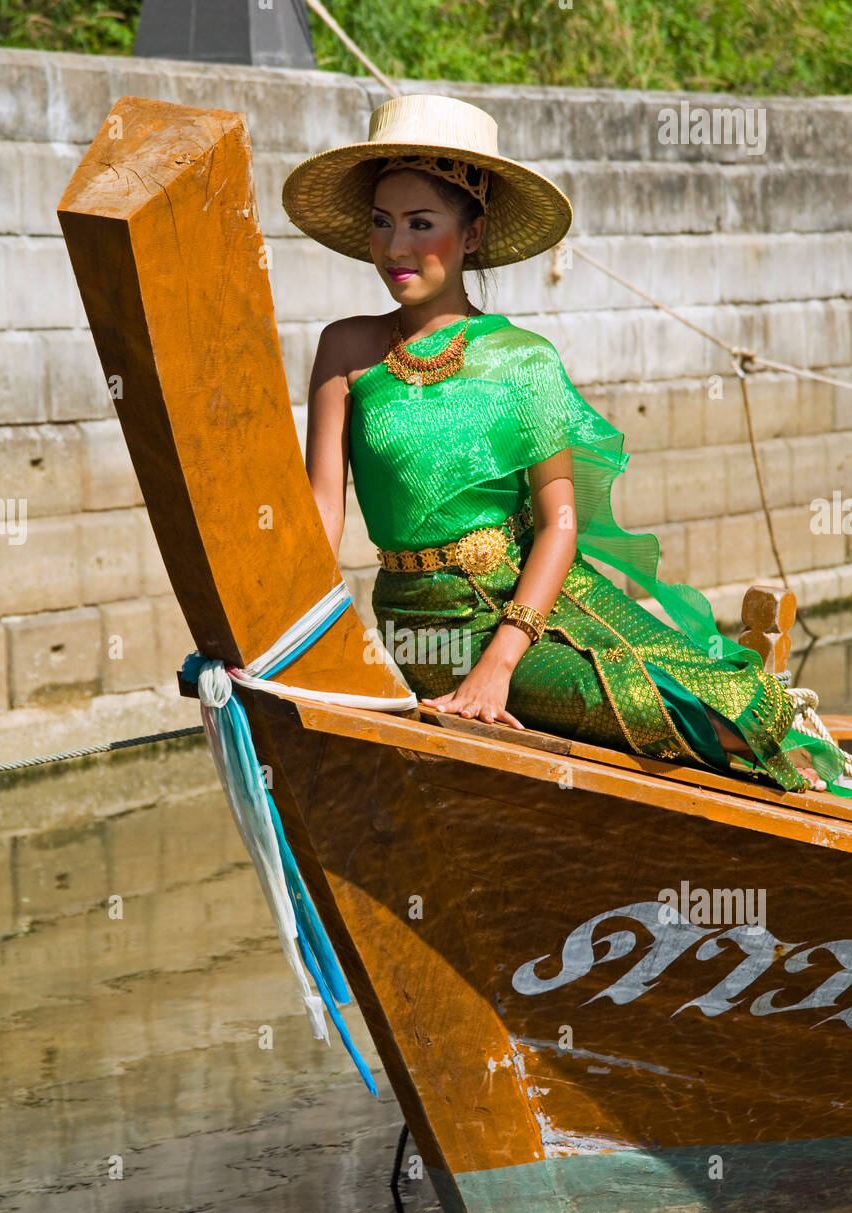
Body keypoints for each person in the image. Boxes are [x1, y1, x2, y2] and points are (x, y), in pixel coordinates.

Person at [282, 92, 850, 798]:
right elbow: (322, 511)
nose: (395, 248)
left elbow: (559, 524)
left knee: (739, 705)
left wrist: (501, 664)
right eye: (382, 222)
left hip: (539, 595)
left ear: (472, 234)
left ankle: (778, 773)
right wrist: (281, 638)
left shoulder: (526, 360)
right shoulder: (345, 350)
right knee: (648, 706)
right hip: (428, 626)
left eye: (420, 224)